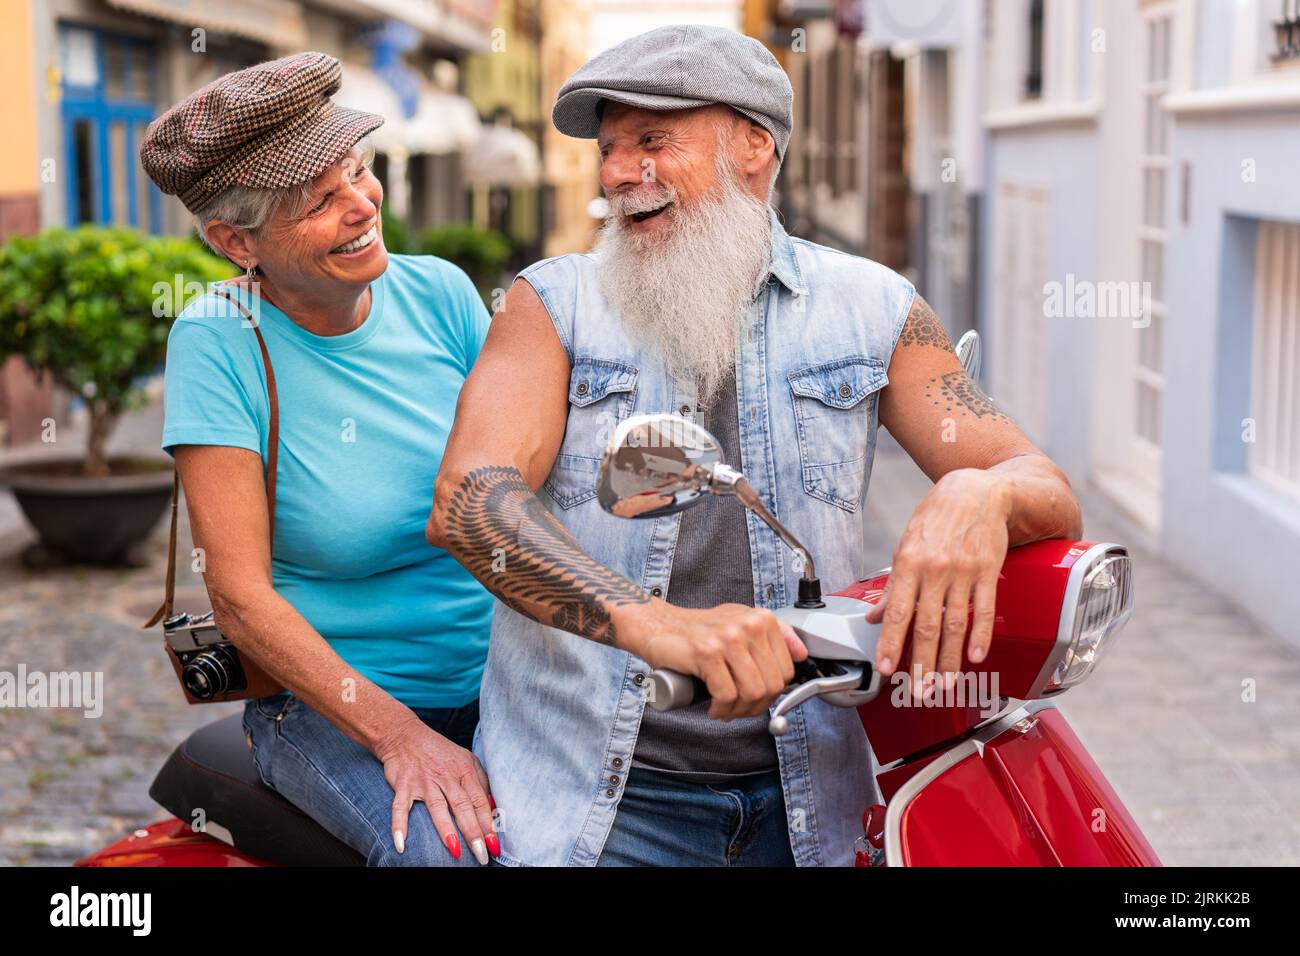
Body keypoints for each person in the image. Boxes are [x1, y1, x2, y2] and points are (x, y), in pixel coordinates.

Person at [425, 25, 1083, 866]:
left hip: (813, 795)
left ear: (754, 147)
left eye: (653, 142)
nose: (619, 173)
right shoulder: (551, 304)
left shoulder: (875, 307)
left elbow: (1043, 485)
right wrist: (656, 626)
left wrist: (981, 494)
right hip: (601, 803)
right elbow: (469, 501)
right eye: (611, 148)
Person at [141, 52, 498, 866]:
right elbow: (237, 597)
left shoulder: (441, 294)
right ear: (236, 240)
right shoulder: (217, 340)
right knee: (449, 859)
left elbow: (528, 486)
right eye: (319, 200)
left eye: (358, 174)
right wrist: (400, 735)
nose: (360, 206)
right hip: (328, 705)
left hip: (505, 682)